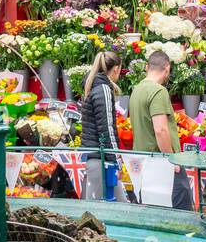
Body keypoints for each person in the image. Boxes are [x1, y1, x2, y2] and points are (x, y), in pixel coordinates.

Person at [130, 49, 193, 210]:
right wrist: (172, 160)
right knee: (181, 214)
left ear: (147, 68)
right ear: (167, 68)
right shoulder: (158, 91)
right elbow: (160, 130)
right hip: (161, 164)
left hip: (143, 164)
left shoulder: (136, 90)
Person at [79, 50, 127, 201]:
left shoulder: (92, 85)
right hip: (101, 161)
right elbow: (107, 129)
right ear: (116, 69)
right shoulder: (104, 89)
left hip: (93, 157)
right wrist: (117, 160)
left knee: (119, 208)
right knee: (102, 211)